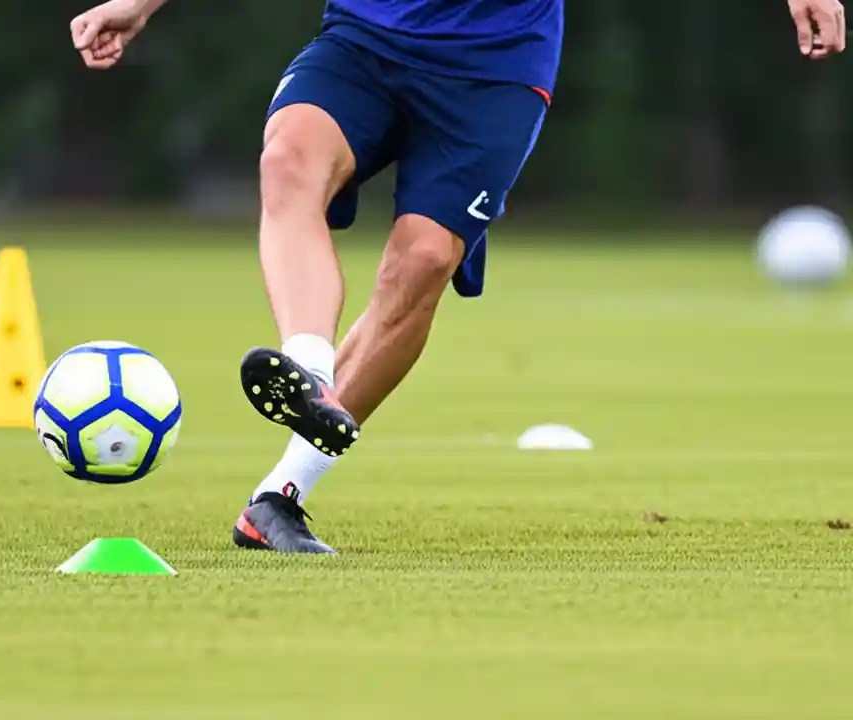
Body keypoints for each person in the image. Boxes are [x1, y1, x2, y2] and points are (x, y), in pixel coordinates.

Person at [70, 0, 847, 554]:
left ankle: (278, 499)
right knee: (287, 160)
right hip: (366, 37)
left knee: (425, 259)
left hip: (497, 66)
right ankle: (310, 369)